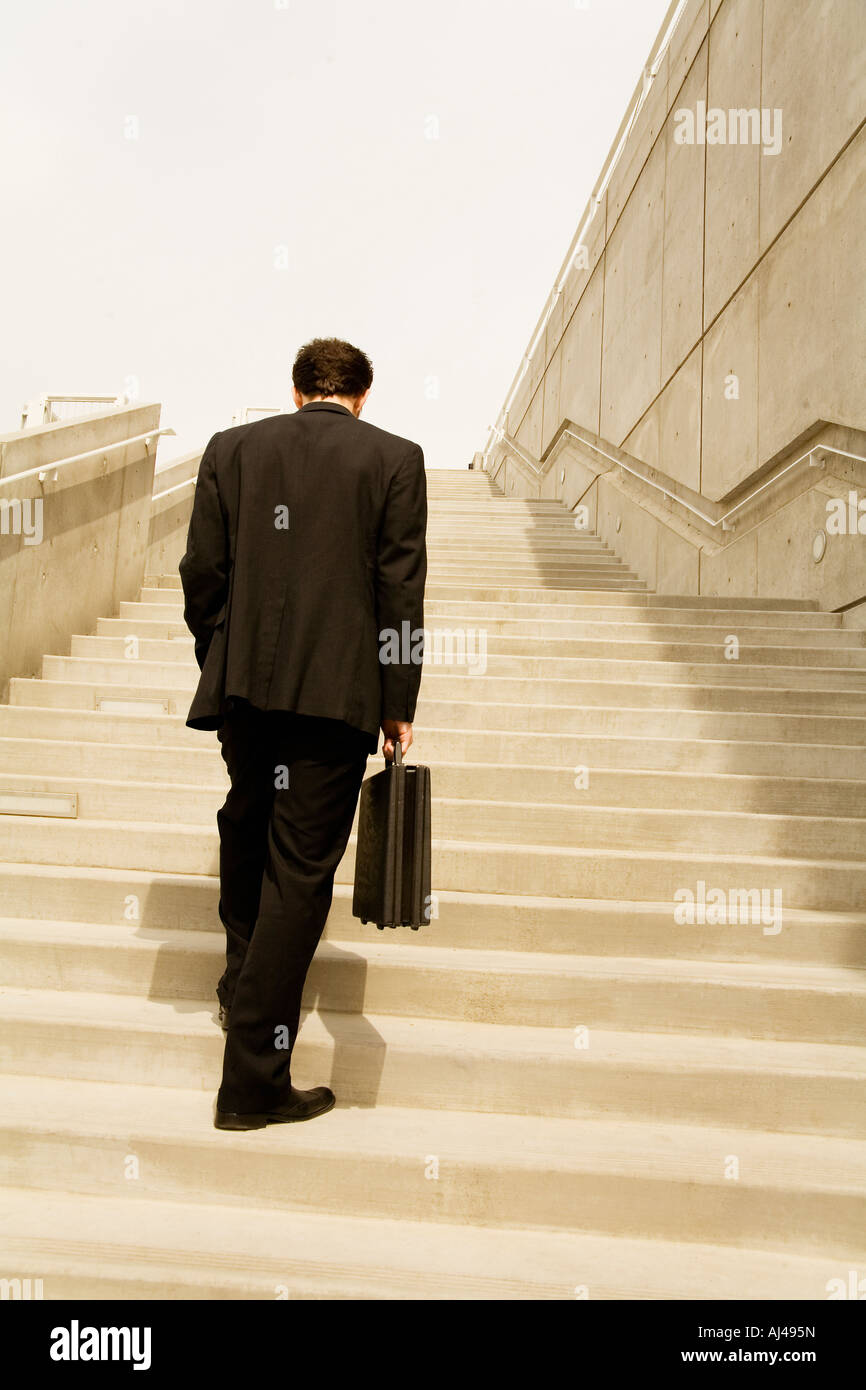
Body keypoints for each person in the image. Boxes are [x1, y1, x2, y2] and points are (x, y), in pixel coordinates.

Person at [179, 337, 427, 1130]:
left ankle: (238, 989)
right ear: (361, 396)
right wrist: (398, 699)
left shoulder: (232, 450)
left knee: (247, 836)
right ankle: (252, 1082)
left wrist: (224, 652)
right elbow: (399, 587)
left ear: (296, 392)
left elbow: (202, 573)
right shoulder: (394, 458)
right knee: (298, 875)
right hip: (335, 697)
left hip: (246, 689)